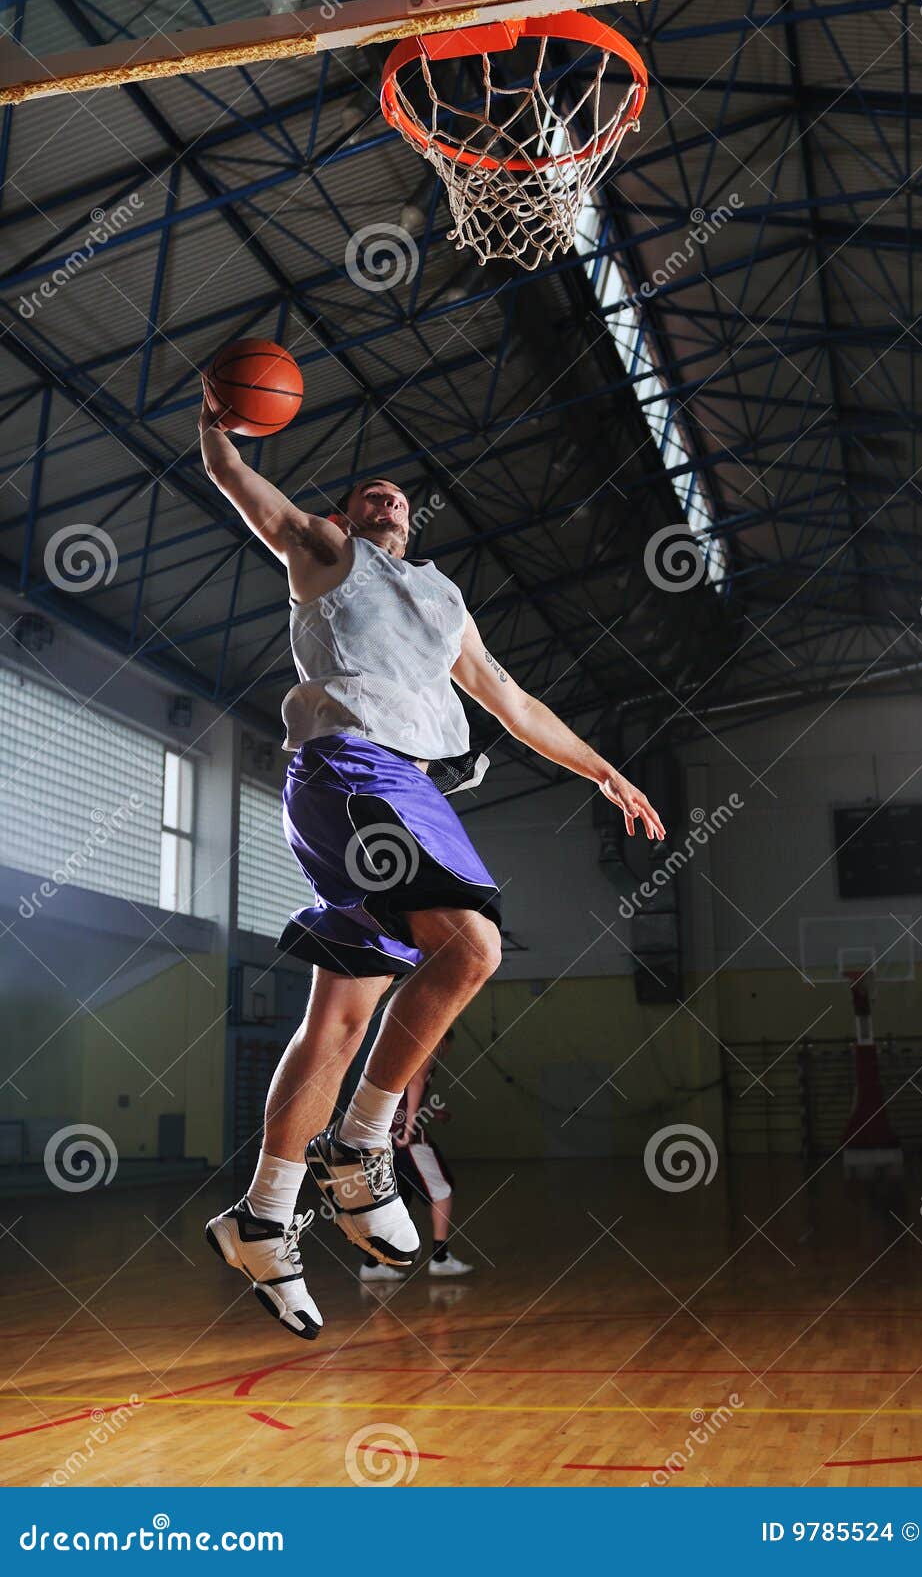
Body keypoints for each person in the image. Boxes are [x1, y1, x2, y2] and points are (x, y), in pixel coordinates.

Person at [200, 385, 665, 1338]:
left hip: (388, 787)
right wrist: (217, 424)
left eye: (400, 498)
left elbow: (511, 701)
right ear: (342, 518)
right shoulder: (326, 558)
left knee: (336, 1022)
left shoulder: (444, 599)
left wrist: (605, 770)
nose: (389, 501)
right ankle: (361, 1149)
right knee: (474, 947)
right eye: (370, 494)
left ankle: (261, 1215)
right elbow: (242, 484)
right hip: (352, 769)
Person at [360, 1033, 471, 1285]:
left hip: (384, 1131)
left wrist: (430, 1111)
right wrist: (410, 1131)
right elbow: (415, 1083)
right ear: (446, 1040)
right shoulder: (430, 1044)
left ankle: (373, 1263)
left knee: (398, 1200)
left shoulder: (403, 1047)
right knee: (442, 1190)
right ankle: (441, 1258)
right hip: (404, 1137)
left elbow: (401, 1091)